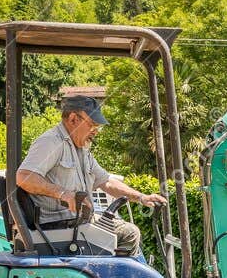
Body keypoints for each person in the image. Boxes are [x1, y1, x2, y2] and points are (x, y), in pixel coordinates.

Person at [14, 89, 167, 256]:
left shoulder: (81, 149)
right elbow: (24, 177)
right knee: (129, 233)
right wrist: (63, 194)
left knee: (122, 228)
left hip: (75, 223)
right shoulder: (52, 142)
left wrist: (141, 197)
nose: (96, 131)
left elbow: (105, 181)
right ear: (73, 119)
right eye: (93, 125)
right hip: (57, 226)